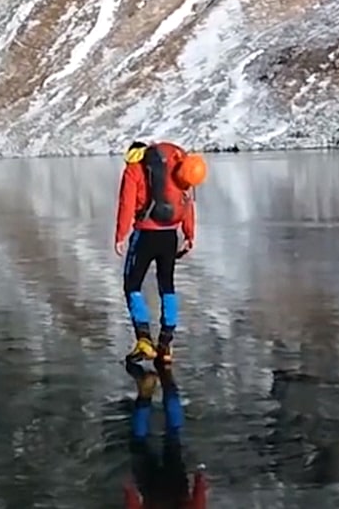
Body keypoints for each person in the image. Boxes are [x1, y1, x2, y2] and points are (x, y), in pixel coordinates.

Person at [114, 140, 208, 364]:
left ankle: (144, 340)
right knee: (167, 284)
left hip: (145, 234)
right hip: (170, 235)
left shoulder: (133, 169)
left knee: (132, 285)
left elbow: (126, 203)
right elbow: (187, 201)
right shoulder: (174, 168)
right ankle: (165, 345)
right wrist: (189, 234)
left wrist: (120, 235)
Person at [122, 361, 208, 509]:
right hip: (151, 490)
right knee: (139, 442)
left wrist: (199, 480)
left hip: (176, 486)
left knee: (173, 434)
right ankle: (144, 397)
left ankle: (166, 378)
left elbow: (198, 503)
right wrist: (129, 489)